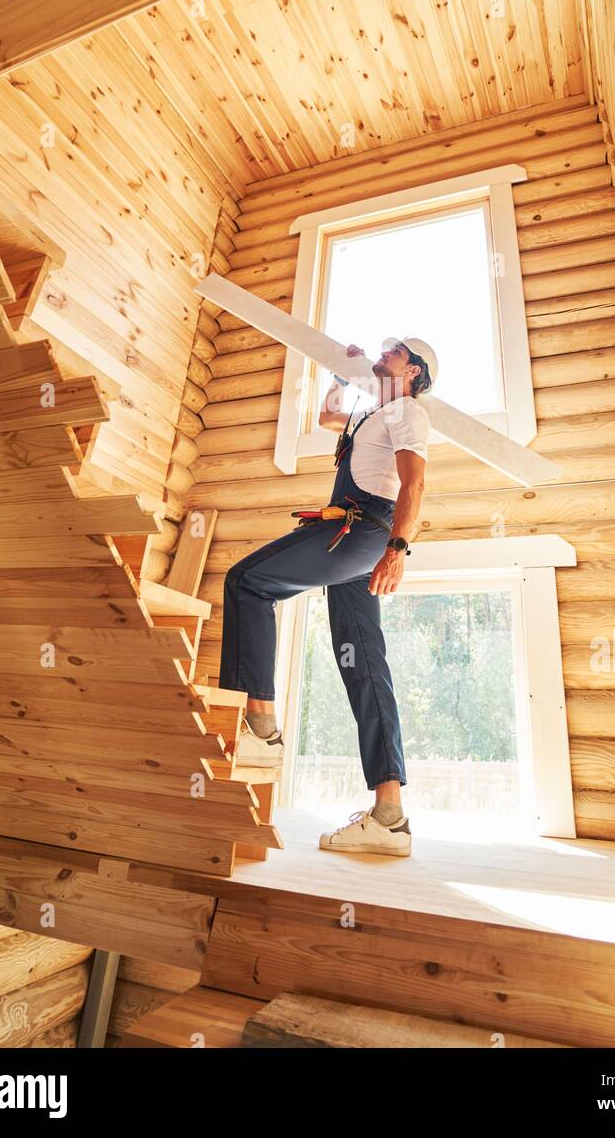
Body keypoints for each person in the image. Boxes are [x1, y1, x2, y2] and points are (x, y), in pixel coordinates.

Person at [217, 336, 438, 857]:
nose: (384, 354)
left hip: (362, 529)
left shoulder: (408, 411)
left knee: (247, 582)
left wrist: (398, 549)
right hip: (354, 537)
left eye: (396, 352)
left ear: (415, 372)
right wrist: (342, 374)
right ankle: (389, 815)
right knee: (364, 663)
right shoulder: (372, 412)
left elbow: (415, 484)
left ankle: (261, 726)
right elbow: (326, 416)